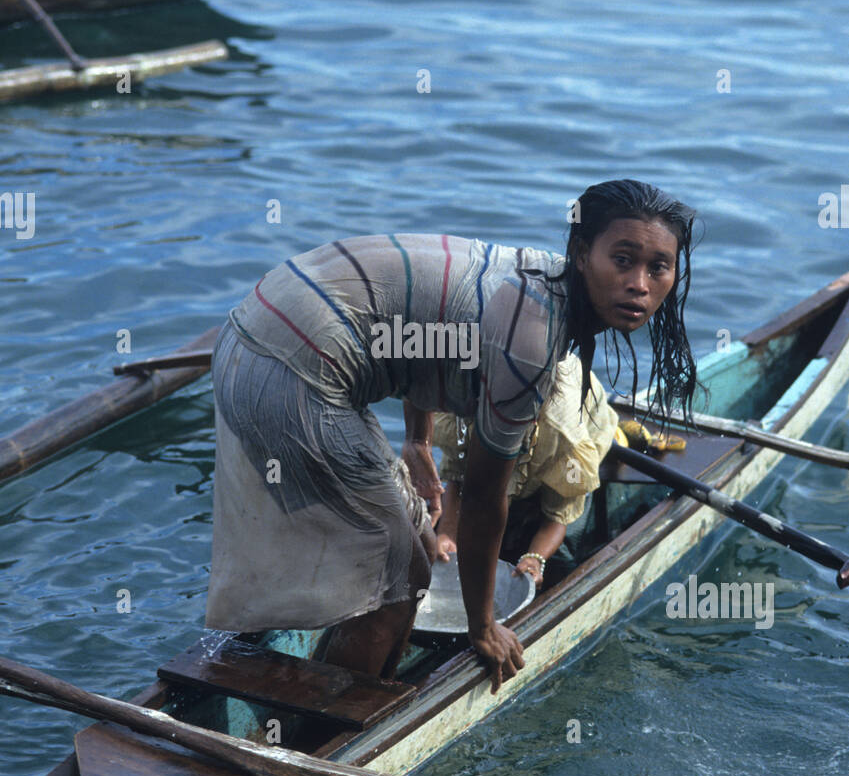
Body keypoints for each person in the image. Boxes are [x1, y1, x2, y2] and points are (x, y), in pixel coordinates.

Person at [205, 180, 698, 693]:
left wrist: (418, 441)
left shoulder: (529, 276)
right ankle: (325, 729)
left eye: (658, 268)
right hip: (287, 369)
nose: (639, 283)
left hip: (260, 329)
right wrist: (481, 627)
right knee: (396, 583)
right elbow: (485, 499)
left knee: (414, 542)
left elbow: (423, 329)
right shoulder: (530, 341)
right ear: (579, 254)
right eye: (622, 260)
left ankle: (343, 685)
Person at [431, 354, 620, 589]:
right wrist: (448, 532)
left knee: (565, 550)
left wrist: (534, 558)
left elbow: (556, 517)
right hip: (519, 431)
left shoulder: (562, 435)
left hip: (584, 426)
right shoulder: (465, 401)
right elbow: (458, 473)